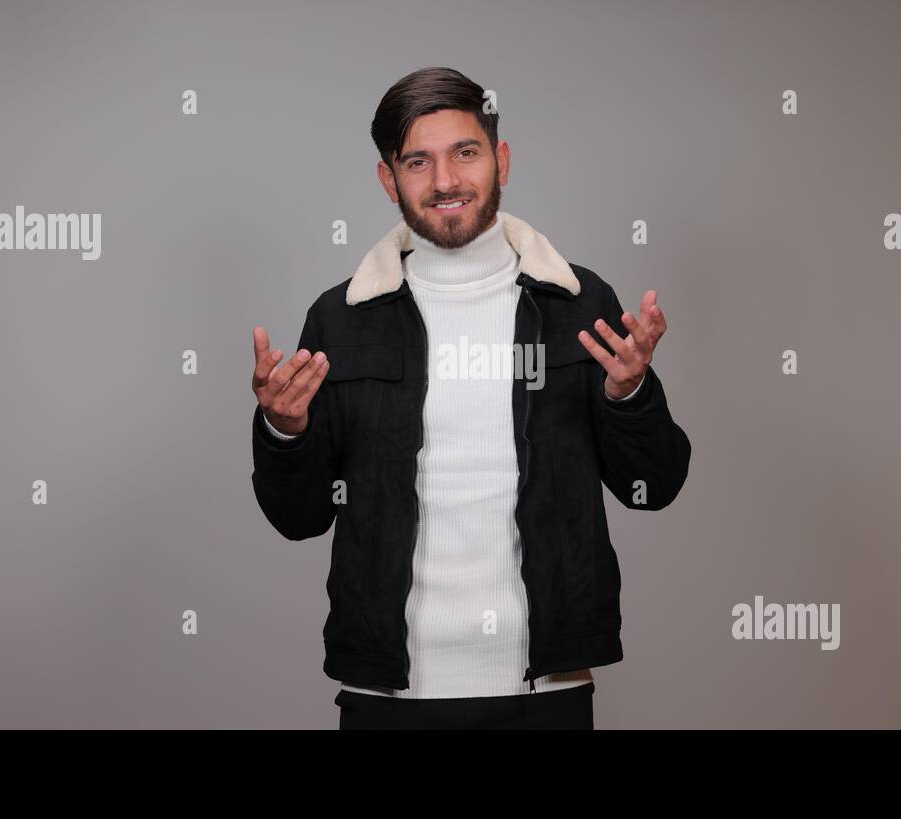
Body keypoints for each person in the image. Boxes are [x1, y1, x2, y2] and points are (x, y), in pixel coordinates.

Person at [250, 66, 691, 729]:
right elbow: (300, 515)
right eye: (418, 161)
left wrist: (630, 395)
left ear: (501, 159)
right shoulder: (342, 318)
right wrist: (285, 430)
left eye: (466, 152)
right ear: (387, 180)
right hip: (387, 696)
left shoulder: (579, 303)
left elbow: (652, 484)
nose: (446, 181)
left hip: (545, 691)